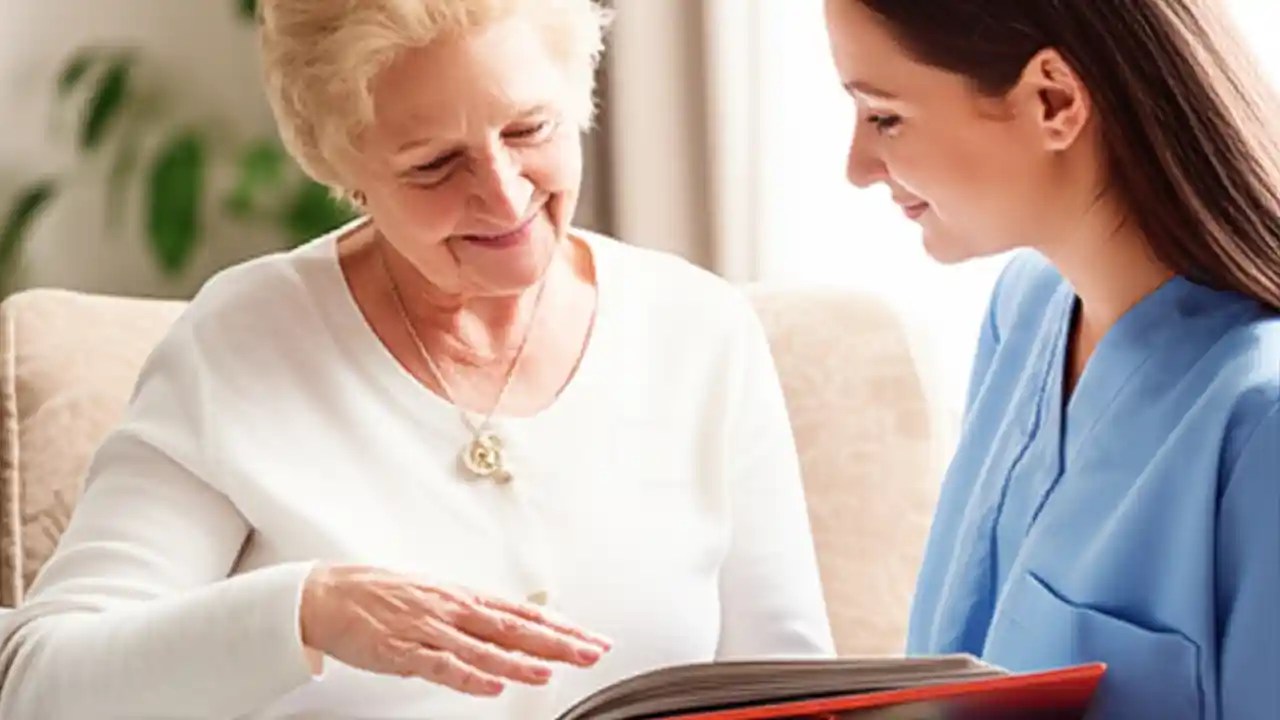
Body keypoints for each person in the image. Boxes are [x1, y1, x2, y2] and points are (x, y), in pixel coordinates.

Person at [0, 1, 837, 717]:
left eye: (529, 129)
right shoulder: (245, 345)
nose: (505, 195)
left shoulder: (700, 334)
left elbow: (804, 695)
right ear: (342, 165)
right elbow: (40, 684)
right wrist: (308, 613)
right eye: (436, 164)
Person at [822, 1, 1279, 718]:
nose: (858, 167)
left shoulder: (1259, 419)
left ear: (1053, 100)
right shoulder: (1026, 313)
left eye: (885, 117)